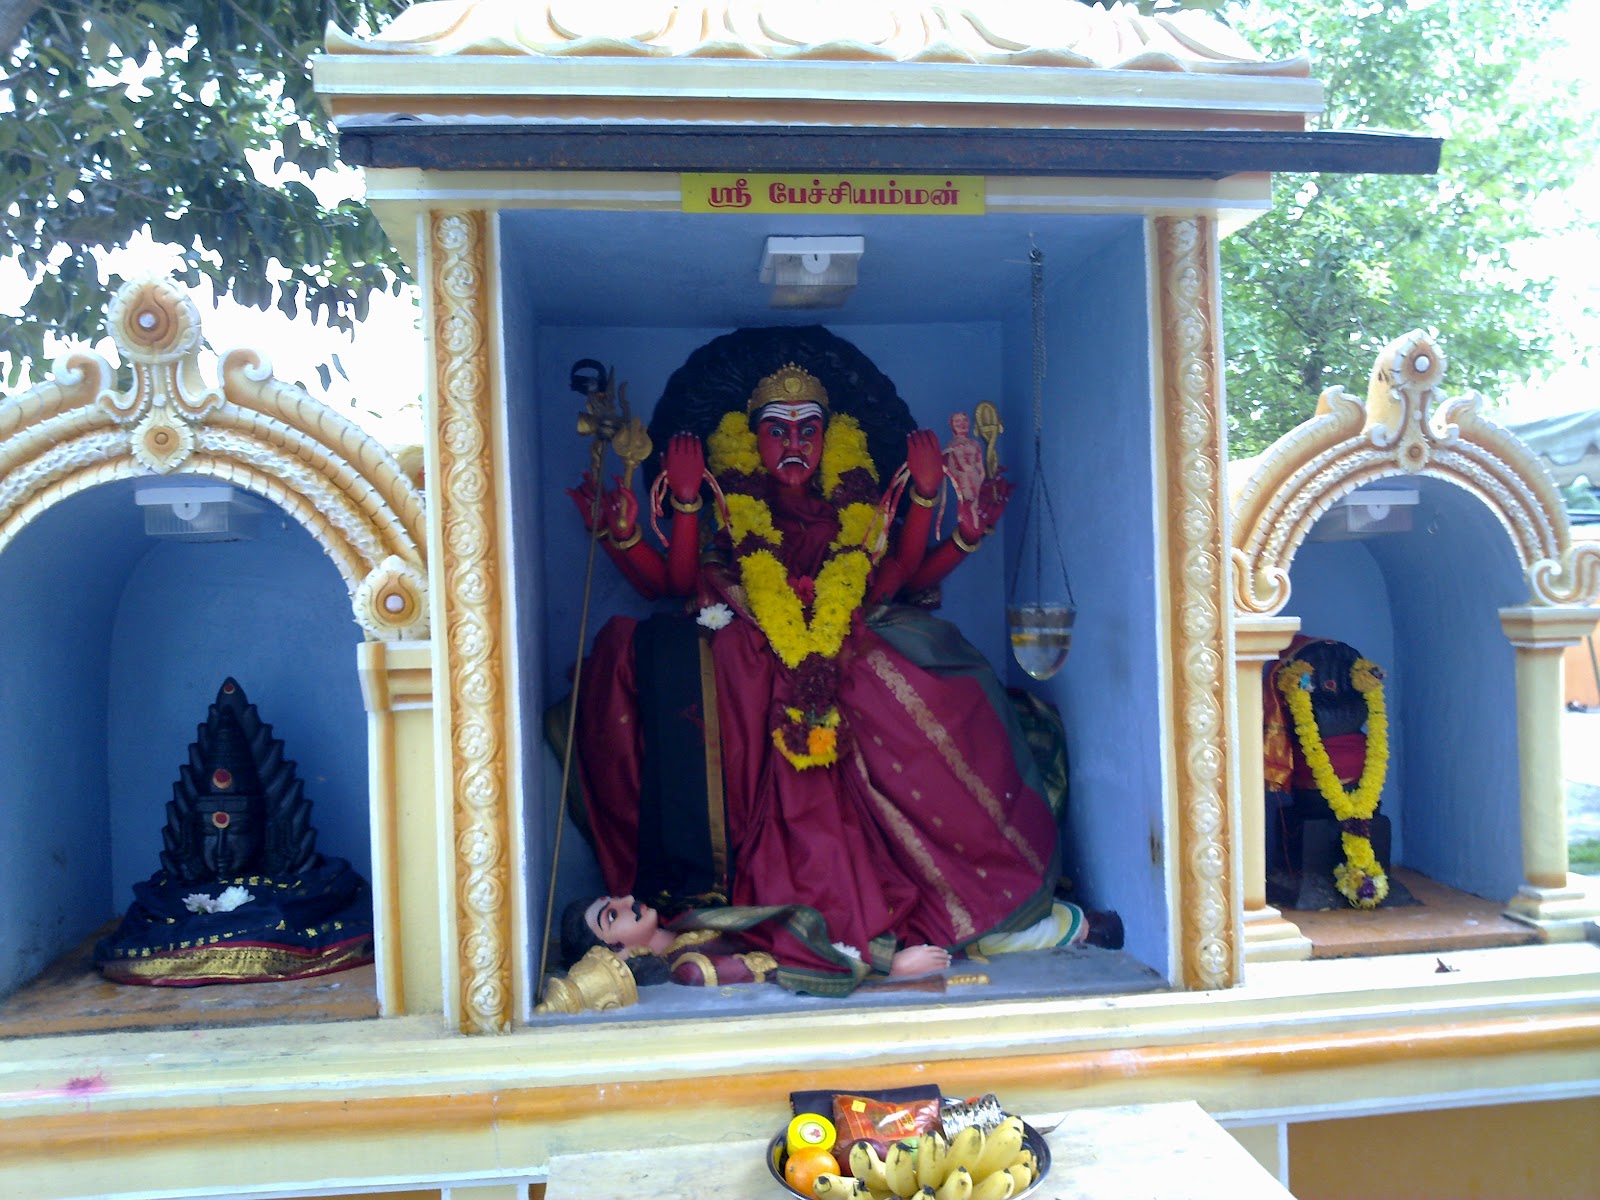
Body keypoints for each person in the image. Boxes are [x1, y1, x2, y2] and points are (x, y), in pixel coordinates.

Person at [563, 328, 1060, 994]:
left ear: (831, 439)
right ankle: (841, 920)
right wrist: (680, 503)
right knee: (721, 663)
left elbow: (895, 577)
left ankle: (984, 888)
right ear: (749, 439)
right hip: (750, 643)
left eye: (807, 432)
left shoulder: (850, 509)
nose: (793, 446)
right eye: (777, 432)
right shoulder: (729, 503)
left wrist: (928, 501)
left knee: (929, 677)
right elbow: (674, 584)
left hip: (845, 635)